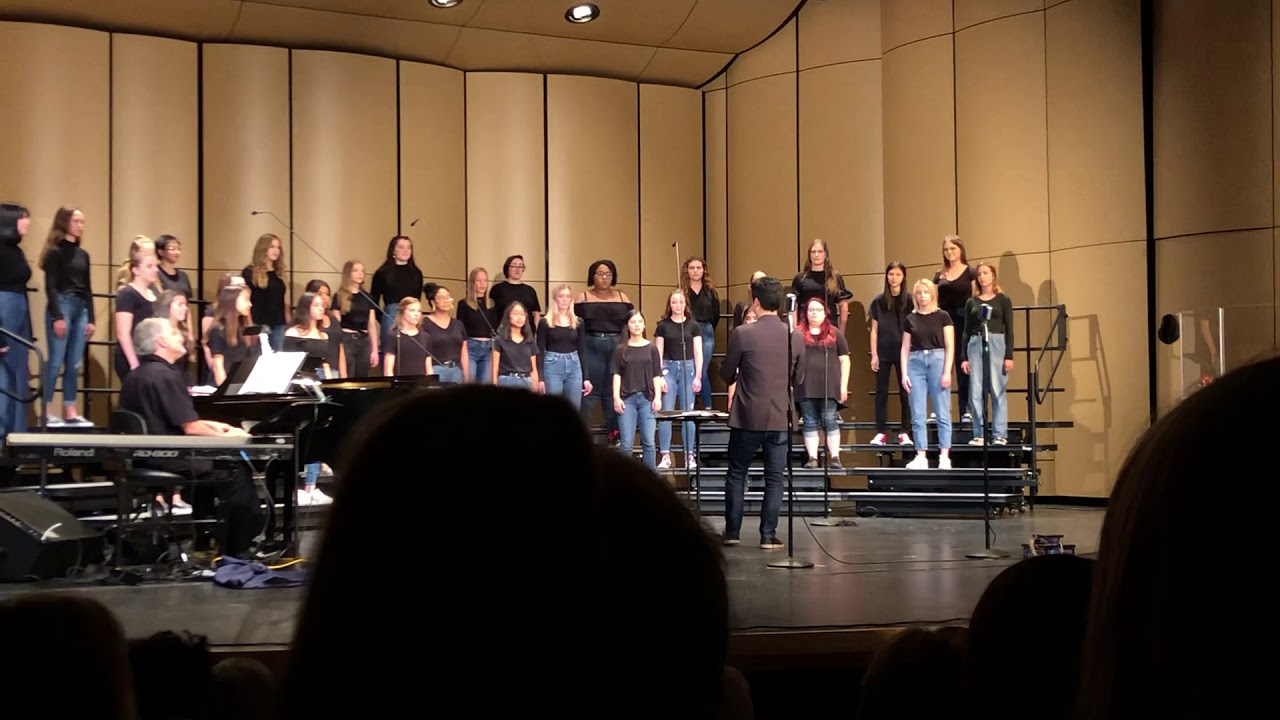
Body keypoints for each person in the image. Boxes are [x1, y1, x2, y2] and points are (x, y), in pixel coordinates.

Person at [118, 318, 262, 558]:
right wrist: (232, 436)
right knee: (234, 467)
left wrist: (219, 426)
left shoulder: (138, 375)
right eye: (175, 333)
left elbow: (173, 419)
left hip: (146, 454)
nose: (181, 337)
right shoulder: (166, 376)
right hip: (166, 456)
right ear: (161, 341)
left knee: (210, 462)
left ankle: (204, 541)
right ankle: (237, 548)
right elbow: (191, 428)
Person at [718, 276, 803, 550]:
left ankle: (732, 533)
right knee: (775, 479)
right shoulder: (794, 335)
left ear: (755, 302)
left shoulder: (743, 333)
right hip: (780, 417)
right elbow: (798, 378)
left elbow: (726, 373)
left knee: (736, 473)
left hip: (747, 417)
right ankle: (768, 535)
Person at [39, 207, 95, 427]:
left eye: (82, 221)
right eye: (76, 221)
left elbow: (88, 288)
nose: (81, 225)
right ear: (65, 223)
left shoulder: (84, 255)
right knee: (55, 361)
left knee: (73, 363)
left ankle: (70, 410)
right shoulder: (55, 252)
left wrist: (91, 318)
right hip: (61, 304)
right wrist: (57, 316)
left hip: (80, 308)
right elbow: (50, 287)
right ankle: (46, 410)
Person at [901, 279, 955, 470]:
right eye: (919, 293)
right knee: (917, 412)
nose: (922, 296)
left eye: (925, 292)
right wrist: (904, 372)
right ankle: (921, 454)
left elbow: (950, 345)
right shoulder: (910, 319)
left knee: (942, 411)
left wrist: (947, 371)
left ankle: (944, 455)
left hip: (937, 360)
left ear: (932, 294)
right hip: (915, 363)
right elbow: (905, 348)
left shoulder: (943, 316)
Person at [961, 262, 1015, 446]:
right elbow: (966, 331)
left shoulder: (1003, 300)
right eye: (979, 274)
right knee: (976, 389)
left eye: (986, 273)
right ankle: (979, 433)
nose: (982, 276)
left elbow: (1009, 329)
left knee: (997, 388)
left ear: (993, 275)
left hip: (997, 342)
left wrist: (1009, 355)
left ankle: (999, 433)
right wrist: (964, 357)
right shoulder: (972, 302)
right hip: (976, 343)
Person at [796, 298, 850, 469]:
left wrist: (843, 385)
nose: (814, 313)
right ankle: (812, 458)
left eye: (818, 310)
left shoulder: (835, 333)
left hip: (829, 385)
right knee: (810, 421)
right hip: (805, 385)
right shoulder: (797, 333)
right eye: (811, 310)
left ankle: (835, 457)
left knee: (829, 420)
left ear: (825, 312)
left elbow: (845, 360)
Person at [654, 290, 703, 470]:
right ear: (670, 305)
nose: (677, 305)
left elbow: (698, 352)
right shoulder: (663, 326)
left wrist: (698, 376)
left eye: (680, 302)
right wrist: (658, 375)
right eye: (674, 302)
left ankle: (689, 455)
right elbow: (657, 352)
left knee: (688, 414)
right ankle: (665, 455)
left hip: (688, 368)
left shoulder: (693, 326)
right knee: (666, 413)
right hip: (668, 368)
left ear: (685, 305)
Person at [869, 261, 913, 445]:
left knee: (906, 391)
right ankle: (881, 432)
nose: (894, 278)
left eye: (898, 274)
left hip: (905, 351)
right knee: (881, 392)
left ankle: (905, 431)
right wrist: (874, 354)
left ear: (903, 277)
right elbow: (874, 329)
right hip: (884, 350)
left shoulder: (910, 300)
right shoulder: (878, 302)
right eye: (891, 274)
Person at [612, 310, 662, 471]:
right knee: (626, 443)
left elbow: (656, 374)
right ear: (628, 325)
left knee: (649, 441)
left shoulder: (652, 348)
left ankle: (651, 480)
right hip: (627, 399)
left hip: (647, 398)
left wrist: (658, 397)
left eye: (640, 321)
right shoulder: (621, 349)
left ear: (645, 324)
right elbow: (617, 375)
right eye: (633, 322)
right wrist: (616, 397)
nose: (637, 325)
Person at [0, 202, 33, 443]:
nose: (28, 222)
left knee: (19, 374)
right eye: (24, 218)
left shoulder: (16, 251)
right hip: (4, 309)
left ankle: (17, 435)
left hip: (18, 308)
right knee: (4, 373)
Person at [933, 235, 973, 421]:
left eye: (953, 249)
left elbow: (975, 298)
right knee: (942, 365)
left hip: (963, 320)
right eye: (946, 249)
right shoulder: (939, 274)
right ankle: (940, 409)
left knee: (962, 363)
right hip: (943, 321)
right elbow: (933, 300)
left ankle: (966, 409)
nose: (950, 252)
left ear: (961, 250)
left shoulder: (970, 272)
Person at [537, 283, 589, 409]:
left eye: (567, 296)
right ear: (555, 299)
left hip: (574, 366)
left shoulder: (578, 322)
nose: (564, 299)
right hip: (552, 367)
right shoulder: (545, 322)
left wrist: (586, 378)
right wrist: (540, 378)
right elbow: (540, 350)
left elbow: (582, 350)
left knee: (573, 409)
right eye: (561, 296)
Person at [369, 235, 422, 358]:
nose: (405, 250)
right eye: (401, 247)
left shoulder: (416, 273)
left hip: (411, 313)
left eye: (409, 248)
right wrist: (384, 318)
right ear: (393, 250)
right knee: (390, 353)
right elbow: (374, 301)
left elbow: (417, 299)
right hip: (390, 315)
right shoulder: (382, 272)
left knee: (411, 353)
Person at [682, 256, 720, 410]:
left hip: (706, 331)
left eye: (698, 268)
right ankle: (689, 406)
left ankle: (708, 407)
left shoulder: (711, 292)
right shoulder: (682, 291)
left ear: (704, 270)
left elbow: (716, 315)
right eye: (692, 268)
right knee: (689, 369)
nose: (695, 271)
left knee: (701, 371)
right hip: (687, 330)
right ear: (687, 270)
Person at [791, 238, 852, 332]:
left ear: (825, 254)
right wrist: (795, 327)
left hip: (829, 328)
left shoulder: (834, 277)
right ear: (809, 255)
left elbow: (843, 305)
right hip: (805, 328)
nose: (816, 255)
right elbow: (794, 305)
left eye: (820, 251)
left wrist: (842, 330)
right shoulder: (800, 278)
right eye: (813, 252)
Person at [242, 233, 288, 352]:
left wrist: (287, 324)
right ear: (263, 249)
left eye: (278, 247)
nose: (276, 250)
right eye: (272, 247)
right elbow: (246, 301)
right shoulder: (250, 272)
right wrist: (250, 326)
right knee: (258, 360)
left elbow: (282, 301)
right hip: (258, 323)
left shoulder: (279, 272)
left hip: (278, 325)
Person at [421, 283, 467, 384]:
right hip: (436, 369)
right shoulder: (425, 323)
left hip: (456, 370)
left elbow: (464, 352)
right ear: (433, 302)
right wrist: (429, 374)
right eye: (442, 298)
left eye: (448, 297)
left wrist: (466, 375)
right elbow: (423, 352)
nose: (446, 301)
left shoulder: (458, 324)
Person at [491, 301, 539, 390]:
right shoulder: (499, 339)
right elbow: (494, 369)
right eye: (515, 313)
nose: (519, 317)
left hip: (526, 381)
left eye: (522, 314)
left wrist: (535, 387)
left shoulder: (530, 341)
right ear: (508, 316)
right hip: (506, 381)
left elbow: (534, 369)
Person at [489, 254, 542, 328]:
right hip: (503, 334)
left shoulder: (530, 291)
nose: (517, 269)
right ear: (507, 268)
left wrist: (537, 333)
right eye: (514, 266)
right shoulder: (497, 289)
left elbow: (536, 314)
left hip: (527, 335)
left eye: (520, 266)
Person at [383, 297, 430, 377]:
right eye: (412, 310)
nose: (416, 314)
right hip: (401, 384)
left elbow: (428, 367)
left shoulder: (426, 337)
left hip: (421, 383)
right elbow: (388, 370)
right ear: (402, 312)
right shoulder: (393, 336)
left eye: (419, 311)